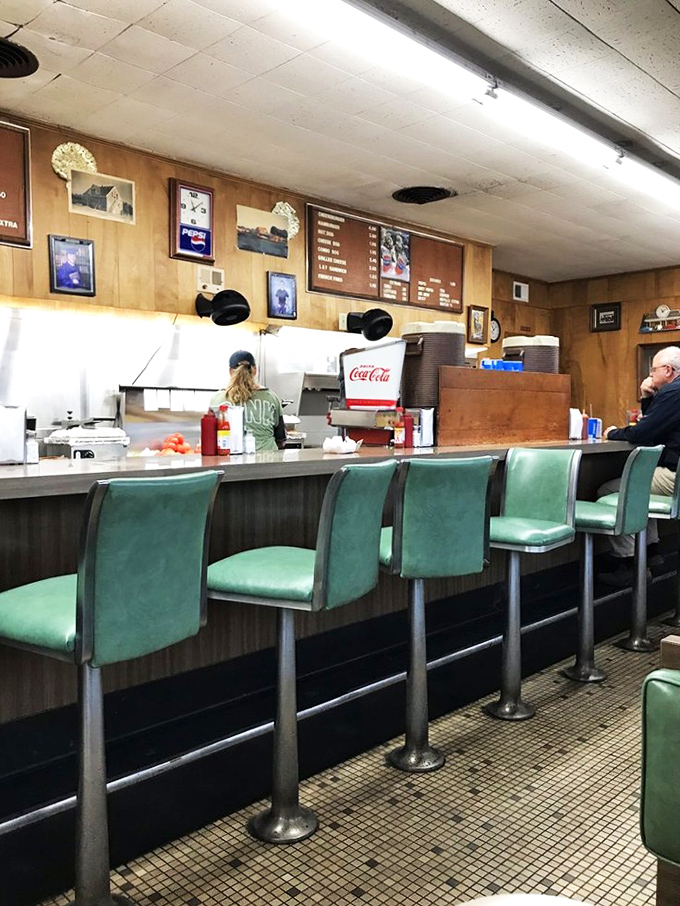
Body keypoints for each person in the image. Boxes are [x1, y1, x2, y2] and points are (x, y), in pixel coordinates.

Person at [598, 345, 680, 586]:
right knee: (642, 485)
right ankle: (651, 551)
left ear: (667, 370)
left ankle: (629, 562)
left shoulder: (673, 392)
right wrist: (647, 398)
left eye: (653, 370)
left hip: (675, 477)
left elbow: (643, 433)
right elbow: (657, 428)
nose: (650, 375)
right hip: (673, 474)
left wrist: (613, 433)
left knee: (610, 491)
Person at [210, 350, 285, 453]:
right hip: (268, 460)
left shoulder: (216, 399)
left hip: (229, 461)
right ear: (255, 370)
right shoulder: (271, 397)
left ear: (230, 371)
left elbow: (210, 438)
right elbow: (281, 439)